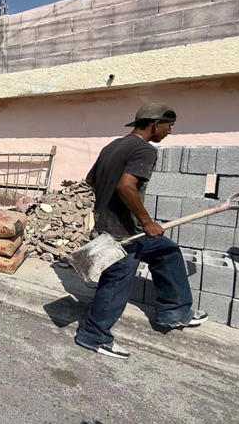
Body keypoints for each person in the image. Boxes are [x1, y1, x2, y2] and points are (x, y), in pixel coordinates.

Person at [74, 103, 208, 359]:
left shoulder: (112, 146)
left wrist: (104, 209)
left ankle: (174, 311)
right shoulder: (144, 150)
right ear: (155, 124)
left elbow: (91, 181)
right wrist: (147, 221)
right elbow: (126, 186)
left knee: (166, 251)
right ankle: (93, 336)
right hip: (123, 231)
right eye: (169, 126)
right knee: (117, 280)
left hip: (111, 224)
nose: (169, 132)